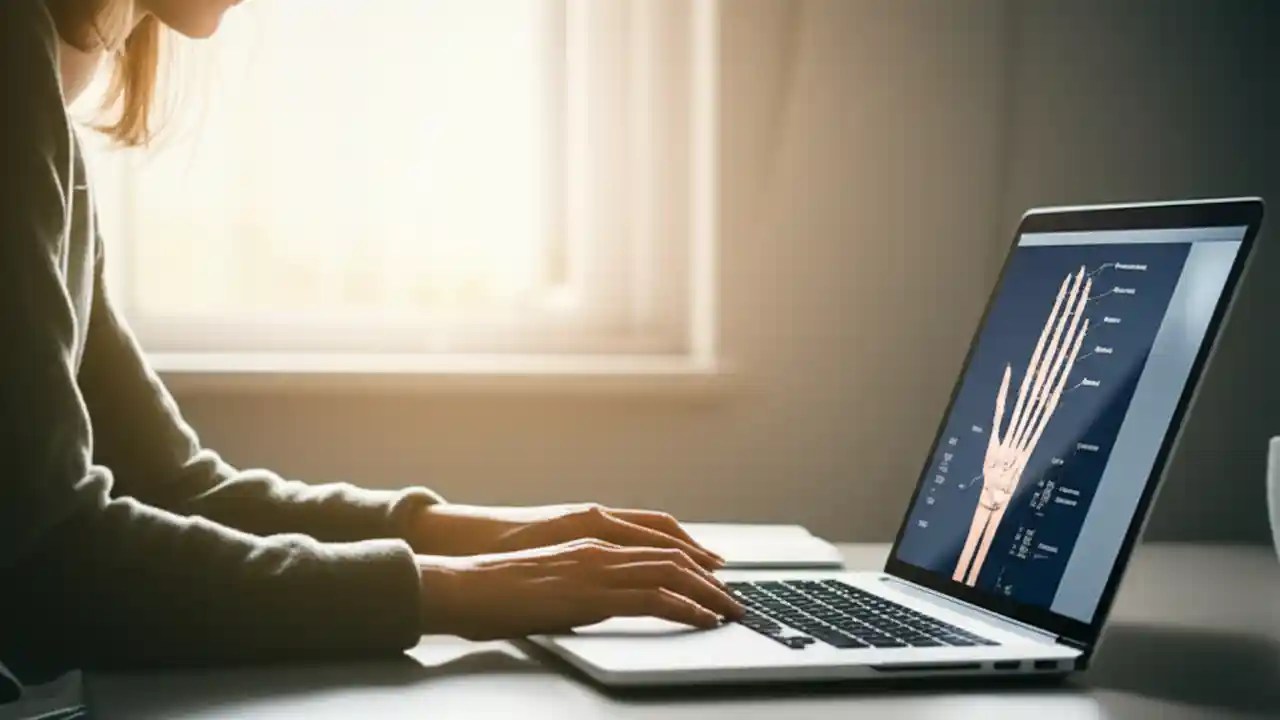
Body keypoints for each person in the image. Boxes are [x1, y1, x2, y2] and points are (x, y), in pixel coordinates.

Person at [0, 0, 743, 677]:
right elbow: (51, 562)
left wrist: (486, 536)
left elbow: (172, 485)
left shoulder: (41, 101)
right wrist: (462, 591)